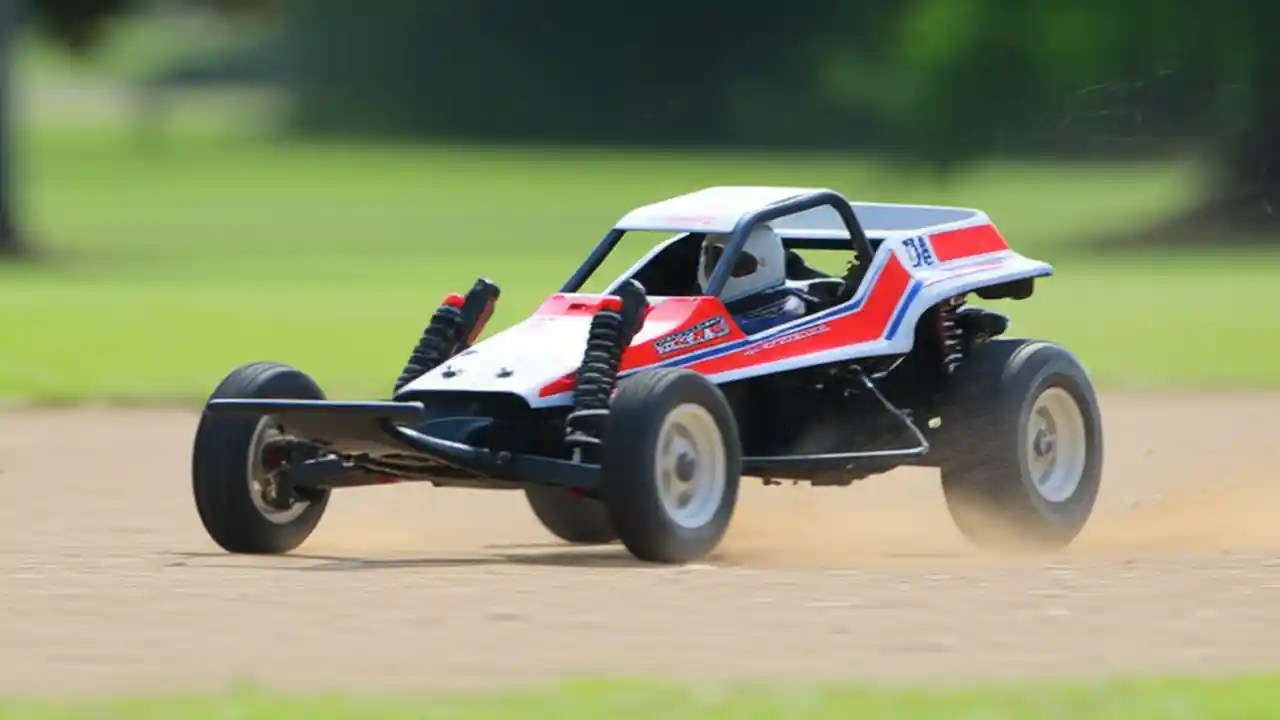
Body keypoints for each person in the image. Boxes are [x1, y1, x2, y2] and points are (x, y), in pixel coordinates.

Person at [696, 224, 817, 335]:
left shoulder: (789, 316)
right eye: (712, 261)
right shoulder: (701, 309)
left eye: (739, 265)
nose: (718, 272)